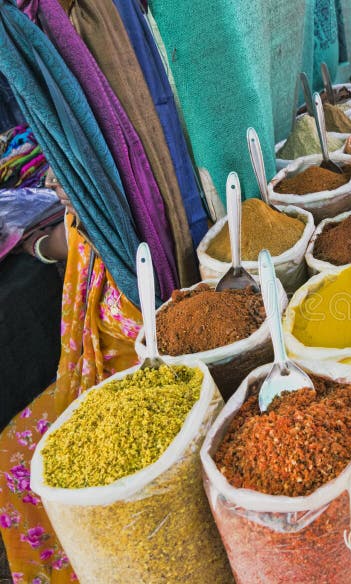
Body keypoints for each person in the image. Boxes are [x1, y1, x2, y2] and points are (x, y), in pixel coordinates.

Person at [0, 170, 142, 583]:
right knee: (11, 456)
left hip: (129, 382)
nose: (48, 181)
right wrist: (39, 248)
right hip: (86, 376)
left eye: (61, 171)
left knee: (26, 466)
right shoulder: (86, 212)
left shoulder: (136, 216)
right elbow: (68, 241)